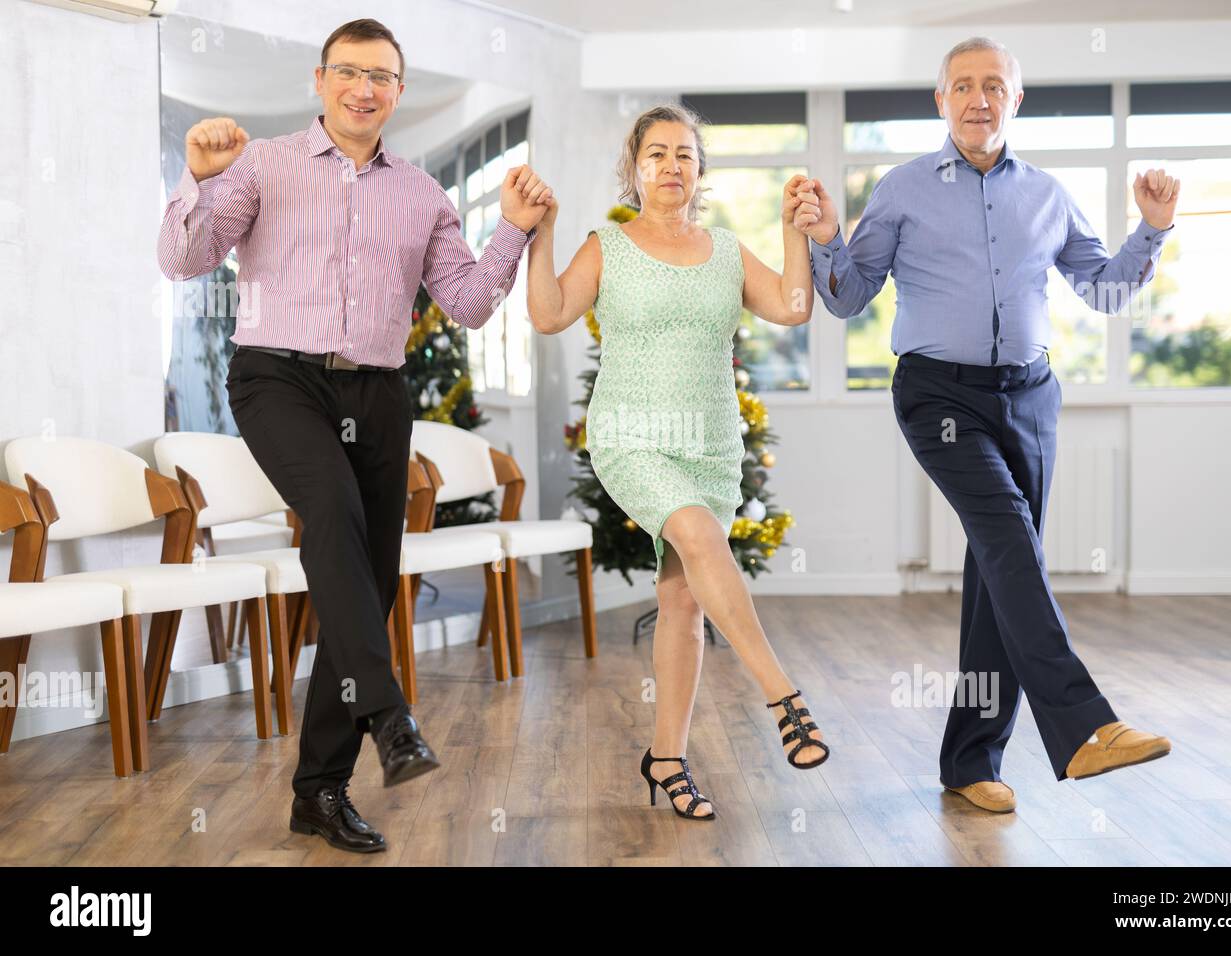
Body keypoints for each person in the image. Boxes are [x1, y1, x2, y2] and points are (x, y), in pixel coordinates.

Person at [156, 18, 553, 851]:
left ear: (398, 93)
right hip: (278, 377)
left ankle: (320, 793)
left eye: (381, 77)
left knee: (362, 586)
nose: (364, 89)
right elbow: (186, 261)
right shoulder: (260, 163)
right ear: (320, 80)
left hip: (376, 390)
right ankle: (390, 713)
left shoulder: (422, 196)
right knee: (331, 514)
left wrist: (512, 228)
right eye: (349, 72)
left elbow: (471, 303)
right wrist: (196, 179)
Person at [796, 36, 1176, 814]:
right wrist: (828, 237)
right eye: (962, 86)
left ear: (1015, 100)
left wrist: (1153, 229)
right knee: (1009, 537)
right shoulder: (901, 189)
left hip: (1031, 396)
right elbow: (846, 296)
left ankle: (971, 762)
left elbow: (1102, 293)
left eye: (993, 85)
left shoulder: (1047, 194)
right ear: (941, 102)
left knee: (997, 572)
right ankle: (1083, 727)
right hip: (939, 397)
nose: (978, 99)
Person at [525, 104, 830, 821]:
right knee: (696, 537)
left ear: (700, 171)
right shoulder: (608, 243)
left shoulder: (724, 249)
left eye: (685, 154)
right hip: (632, 436)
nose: (671, 166)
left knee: (683, 599)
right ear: (633, 169)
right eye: (656, 153)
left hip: (712, 444)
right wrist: (540, 236)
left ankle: (667, 759)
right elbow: (548, 314)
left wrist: (793, 233)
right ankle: (784, 696)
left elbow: (791, 306)